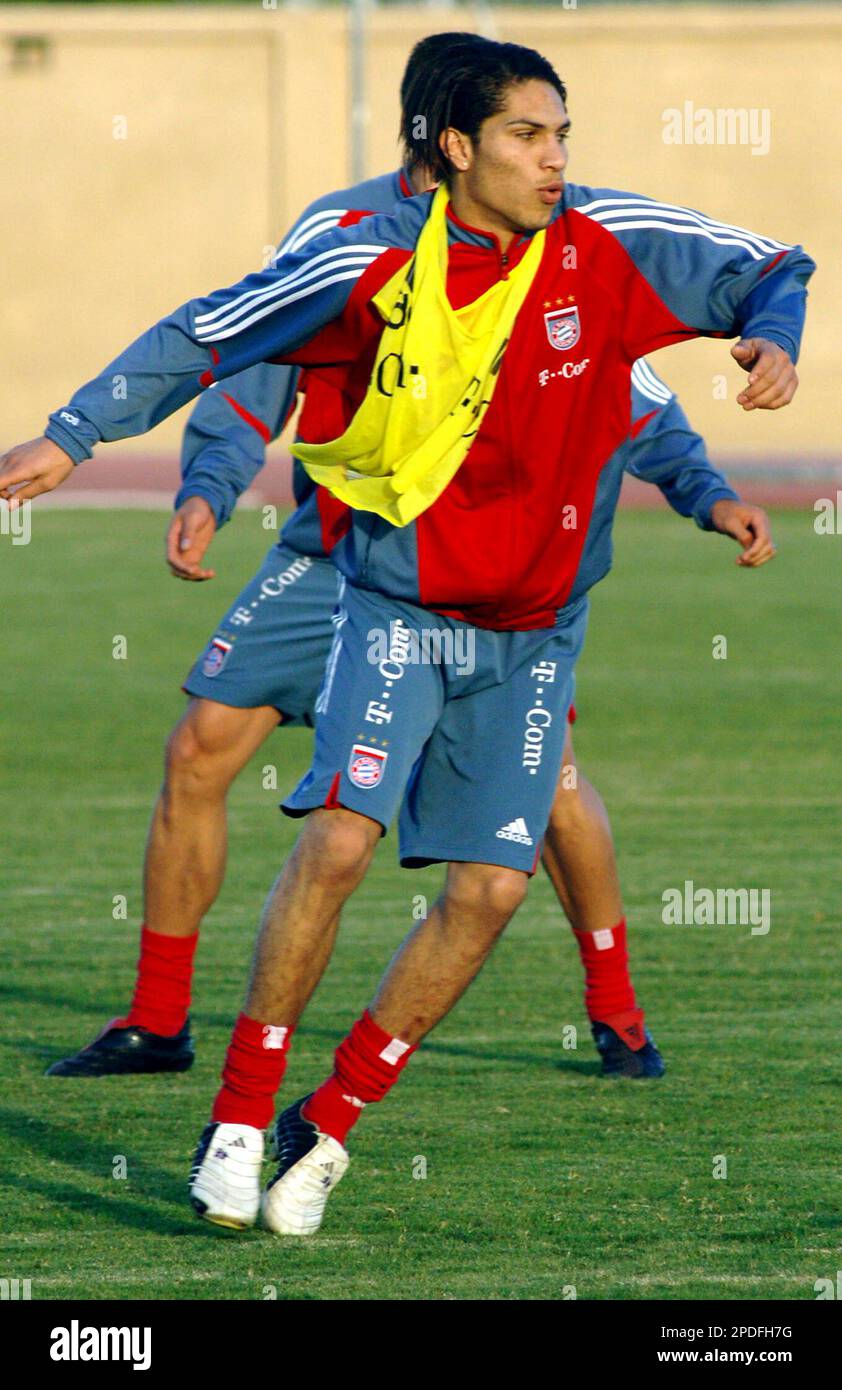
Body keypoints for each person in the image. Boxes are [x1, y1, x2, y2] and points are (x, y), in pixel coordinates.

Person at [0, 34, 812, 1235]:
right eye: (527, 137)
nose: (553, 160)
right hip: (391, 607)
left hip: (534, 635)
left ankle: (325, 1123)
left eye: (560, 135)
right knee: (331, 840)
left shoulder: (603, 245)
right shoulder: (365, 257)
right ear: (454, 144)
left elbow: (764, 264)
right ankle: (233, 1115)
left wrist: (771, 338)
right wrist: (74, 436)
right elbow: (212, 336)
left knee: (489, 886)